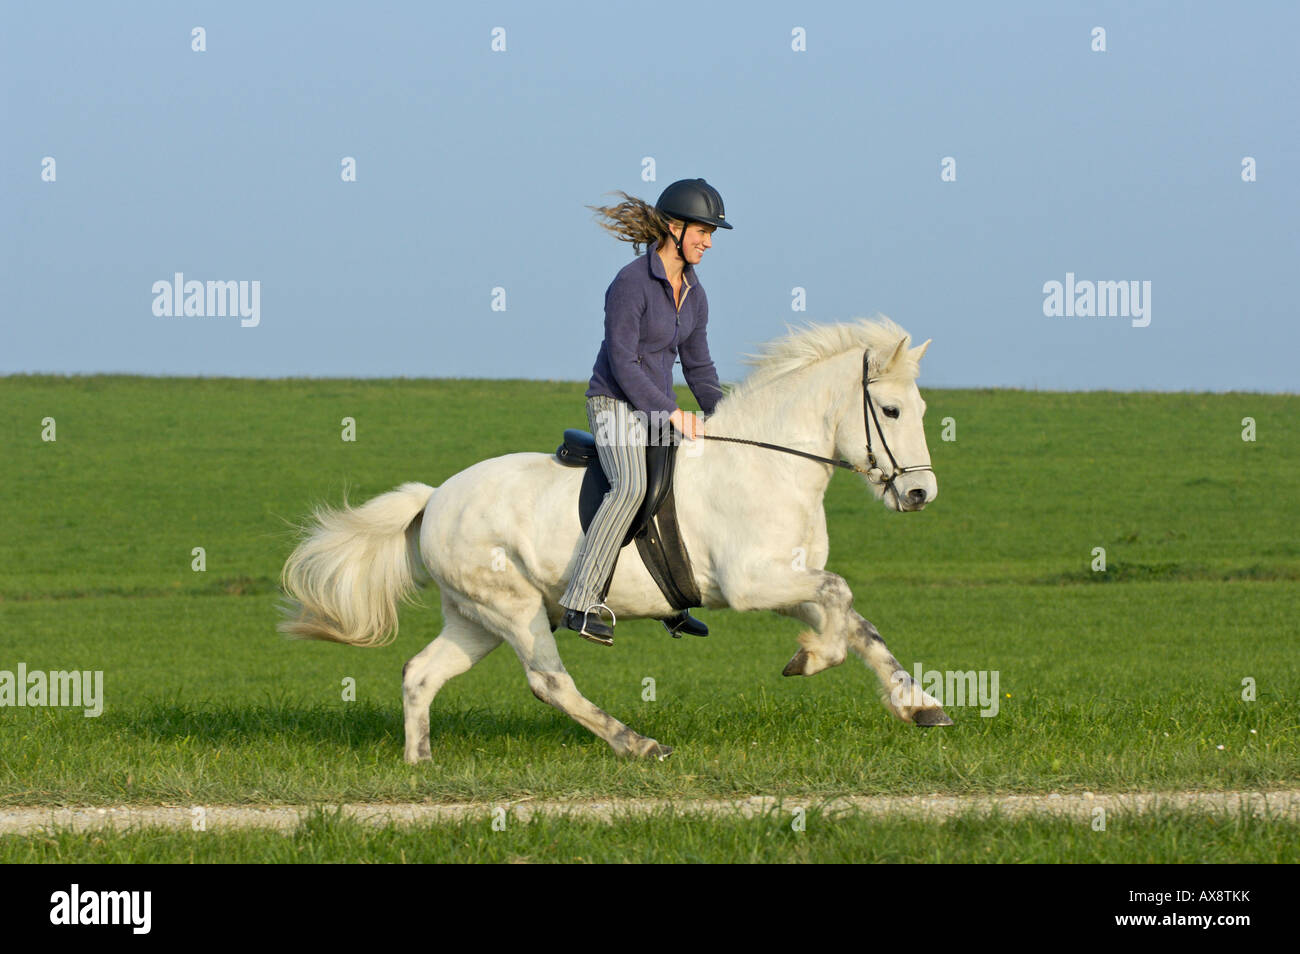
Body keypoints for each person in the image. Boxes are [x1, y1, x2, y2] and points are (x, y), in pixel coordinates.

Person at [559, 178, 733, 646]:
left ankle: (669, 600)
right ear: (674, 228)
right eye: (703, 231)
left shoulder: (694, 293)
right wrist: (671, 413)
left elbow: (698, 364)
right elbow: (623, 361)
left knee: (683, 485)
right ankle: (580, 601)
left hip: (657, 408)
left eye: (712, 233)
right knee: (632, 485)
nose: (709, 242)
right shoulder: (631, 283)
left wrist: (725, 414)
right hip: (615, 402)